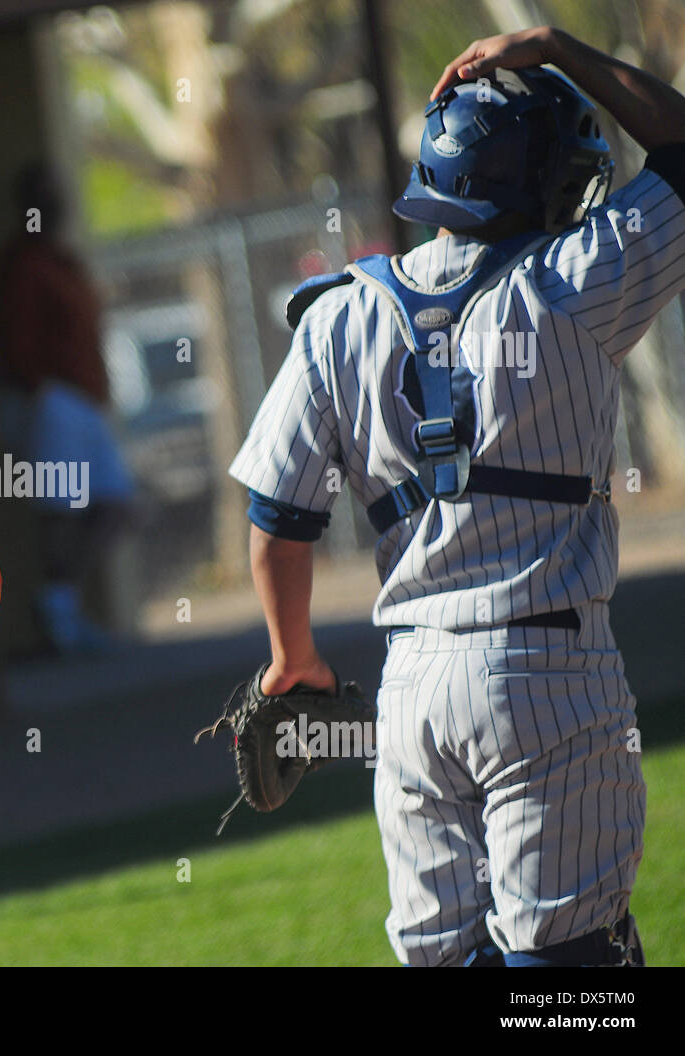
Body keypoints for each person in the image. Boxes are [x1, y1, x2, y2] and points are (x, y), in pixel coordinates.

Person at [228, 26, 685, 966]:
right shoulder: (574, 281)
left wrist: (293, 661)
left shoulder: (338, 315)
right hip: (547, 667)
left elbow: (277, 522)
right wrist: (560, 48)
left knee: (446, 961)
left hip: (413, 690)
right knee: (568, 971)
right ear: (540, 185)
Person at [0, 161, 134, 653]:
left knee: (114, 504)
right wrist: (36, 395)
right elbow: (15, 341)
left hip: (85, 399)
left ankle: (59, 601)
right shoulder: (23, 264)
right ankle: (59, 614)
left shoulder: (61, 260)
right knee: (62, 511)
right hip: (52, 401)